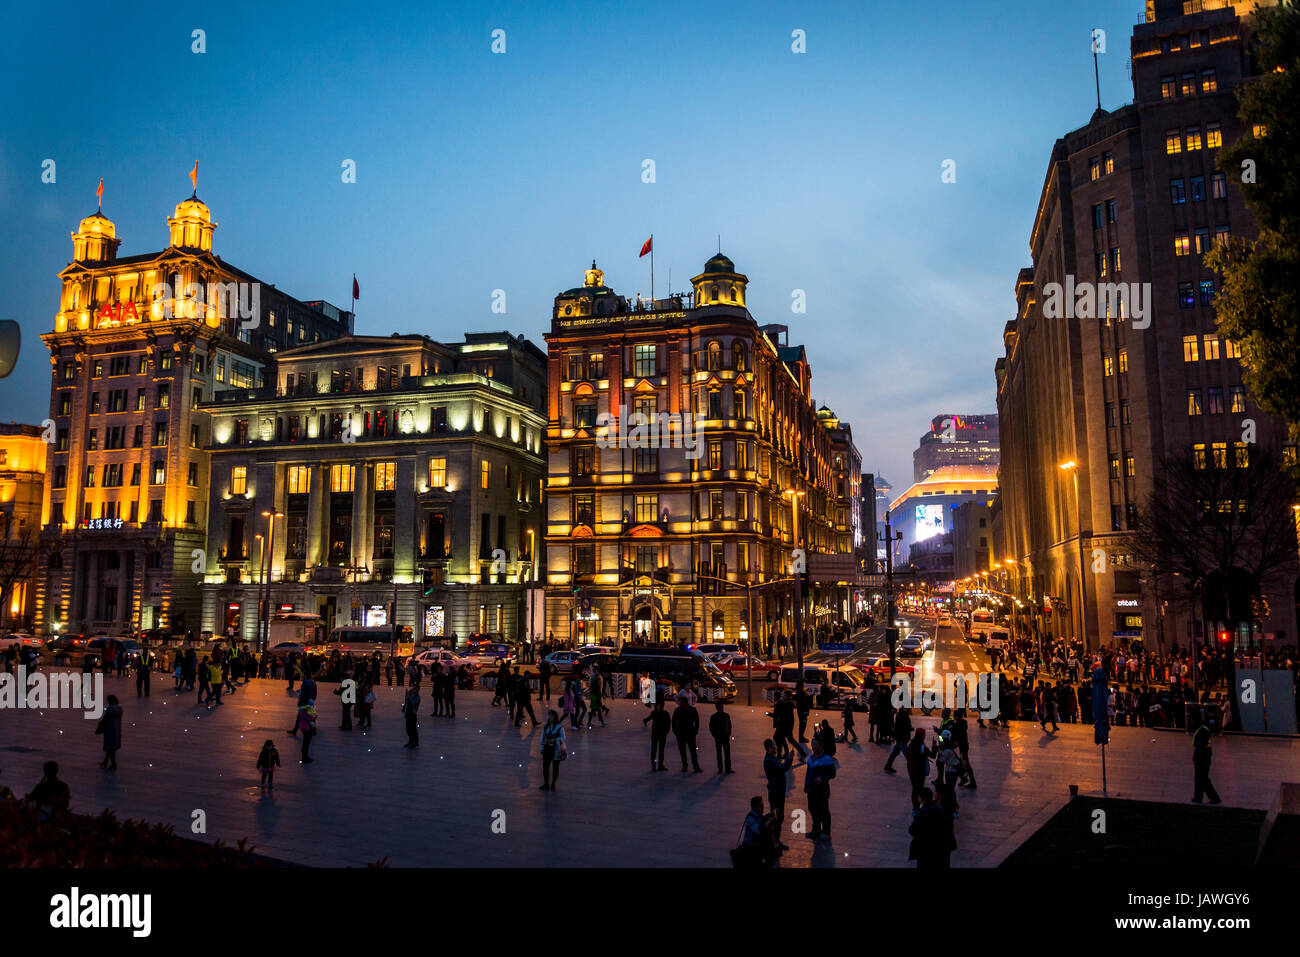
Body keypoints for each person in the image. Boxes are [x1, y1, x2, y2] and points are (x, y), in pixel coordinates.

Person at [908, 786, 957, 868]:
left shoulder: (921, 813)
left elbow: (913, 830)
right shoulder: (940, 809)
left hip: (926, 850)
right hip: (941, 848)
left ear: (921, 799)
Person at [803, 737, 837, 841]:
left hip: (822, 790)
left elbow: (832, 773)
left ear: (821, 747)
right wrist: (806, 785)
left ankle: (826, 832)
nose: (813, 747)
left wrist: (822, 778)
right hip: (812, 790)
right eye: (812, 745)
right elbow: (808, 773)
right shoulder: (811, 759)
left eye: (816, 745)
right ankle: (816, 829)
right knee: (813, 809)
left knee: (823, 811)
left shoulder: (826, 759)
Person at [762, 739, 794, 850]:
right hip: (775, 794)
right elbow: (782, 768)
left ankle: (776, 841)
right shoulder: (769, 761)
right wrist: (789, 759)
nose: (776, 747)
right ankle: (774, 842)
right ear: (770, 747)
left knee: (779, 817)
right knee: (776, 817)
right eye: (774, 745)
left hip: (779, 792)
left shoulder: (773, 758)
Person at [1192, 722, 1221, 804]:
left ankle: (1213, 798)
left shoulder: (1202, 731)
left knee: (1201, 778)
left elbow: (1199, 745)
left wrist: (1196, 757)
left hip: (1202, 757)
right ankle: (1198, 797)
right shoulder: (1203, 730)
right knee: (1200, 778)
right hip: (1203, 756)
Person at [672, 697, 702, 772]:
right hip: (684, 733)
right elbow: (673, 722)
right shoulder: (680, 710)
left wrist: (695, 731)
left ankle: (690, 765)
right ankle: (690, 765)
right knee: (686, 751)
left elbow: (697, 721)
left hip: (688, 733)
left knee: (690, 751)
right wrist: (675, 732)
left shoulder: (680, 710)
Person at [904, 728, 931, 812]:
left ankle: (915, 808)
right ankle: (917, 807)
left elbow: (907, 755)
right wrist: (935, 747)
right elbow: (932, 755)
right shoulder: (921, 746)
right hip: (919, 771)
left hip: (912, 770)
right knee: (918, 789)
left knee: (915, 789)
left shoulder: (911, 743)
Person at [95, 694, 123, 770]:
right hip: (117, 729)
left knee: (110, 748)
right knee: (111, 747)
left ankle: (113, 764)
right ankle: (105, 761)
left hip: (110, 730)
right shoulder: (119, 707)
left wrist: (100, 727)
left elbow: (105, 719)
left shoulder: (110, 708)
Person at [539, 710, 566, 790]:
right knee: (545, 767)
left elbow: (563, 738)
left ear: (555, 717)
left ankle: (553, 783)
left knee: (555, 767)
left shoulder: (559, 727)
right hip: (547, 749)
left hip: (556, 750)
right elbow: (542, 738)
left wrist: (555, 740)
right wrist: (541, 747)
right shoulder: (546, 726)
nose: (550, 717)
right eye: (549, 715)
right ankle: (546, 783)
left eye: (551, 715)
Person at [644, 699, 671, 771]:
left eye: (661, 705)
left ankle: (660, 765)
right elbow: (654, 717)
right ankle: (653, 765)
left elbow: (668, 723)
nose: (660, 706)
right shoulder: (654, 713)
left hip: (662, 734)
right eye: (659, 705)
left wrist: (666, 731)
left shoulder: (665, 713)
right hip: (655, 734)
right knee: (654, 750)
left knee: (661, 750)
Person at [883, 707, 913, 773]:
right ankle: (913, 767)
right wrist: (910, 728)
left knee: (895, 752)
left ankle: (888, 765)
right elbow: (903, 727)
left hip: (900, 737)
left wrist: (894, 736)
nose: (910, 709)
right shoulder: (903, 715)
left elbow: (896, 726)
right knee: (906, 754)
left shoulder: (900, 714)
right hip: (902, 738)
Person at [709, 701, 734, 774]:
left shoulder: (726, 715)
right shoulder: (713, 717)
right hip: (718, 738)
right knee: (719, 754)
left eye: (722, 707)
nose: (721, 708)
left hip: (725, 737)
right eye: (720, 707)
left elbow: (729, 725)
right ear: (717, 708)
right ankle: (720, 768)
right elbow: (711, 727)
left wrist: (729, 733)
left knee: (727, 754)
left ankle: (728, 768)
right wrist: (715, 735)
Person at [296, 699, 318, 763]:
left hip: (308, 728)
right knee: (305, 744)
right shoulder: (303, 710)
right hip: (305, 728)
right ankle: (304, 758)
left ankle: (306, 756)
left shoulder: (307, 709)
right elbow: (307, 718)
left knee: (307, 743)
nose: (311, 706)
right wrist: (314, 717)